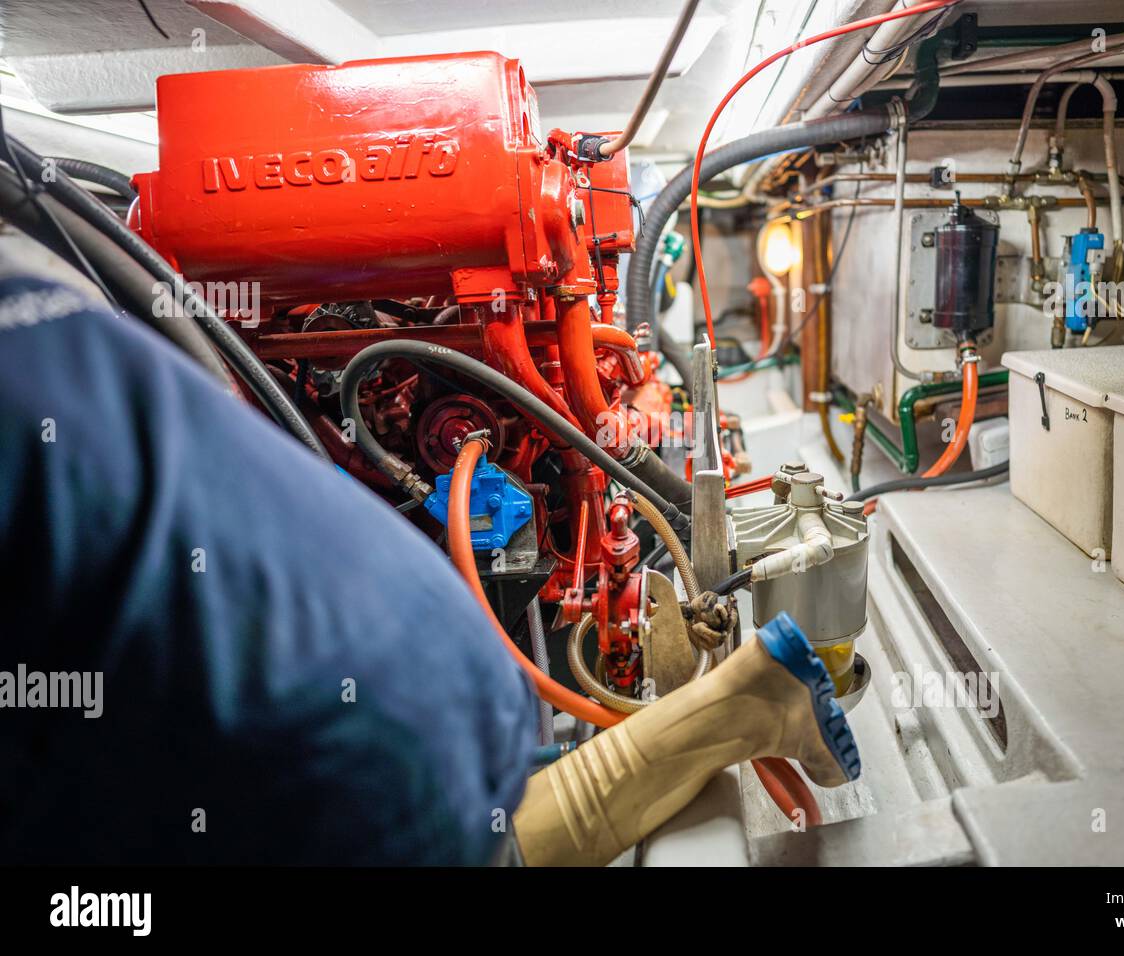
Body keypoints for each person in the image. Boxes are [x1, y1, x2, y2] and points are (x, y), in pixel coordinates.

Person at [0, 258, 857, 866]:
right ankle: (752, 698)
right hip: (427, 674)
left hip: (350, 752)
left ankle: (749, 705)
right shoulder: (37, 282)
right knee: (475, 817)